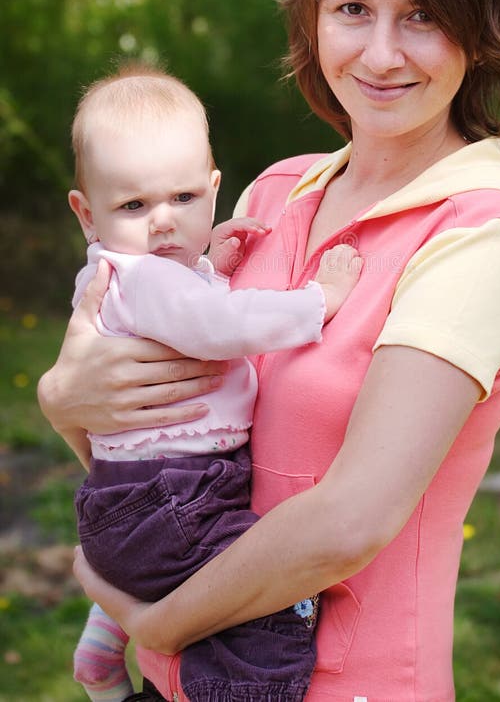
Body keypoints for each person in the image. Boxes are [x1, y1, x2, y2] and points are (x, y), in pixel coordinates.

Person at [39, 0, 500, 701]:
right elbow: (171, 429)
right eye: (353, 9)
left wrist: (151, 622)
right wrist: (65, 400)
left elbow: (349, 521)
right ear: (313, 18)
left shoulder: (478, 235)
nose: (382, 53)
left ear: (479, 26)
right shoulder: (277, 194)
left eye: (422, 15)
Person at [64, 63, 362, 702]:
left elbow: (186, 308)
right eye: (134, 205)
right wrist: (318, 300)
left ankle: (102, 637)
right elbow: (214, 328)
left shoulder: (132, 271)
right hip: (173, 498)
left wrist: (209, 266)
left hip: (139, 500)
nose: (163, 222)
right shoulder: (143, 277)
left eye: (184, 199)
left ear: (213, 187)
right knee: (267, 600)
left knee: (195, 569)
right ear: (88, 214)